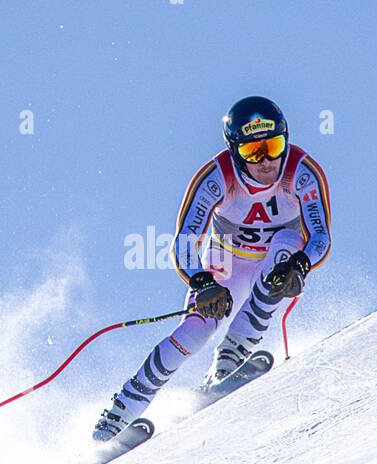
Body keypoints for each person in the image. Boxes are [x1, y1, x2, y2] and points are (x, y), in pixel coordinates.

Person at [93, 95, 332, 442]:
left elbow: (320, 236)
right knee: (197, 329)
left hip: (277, 257)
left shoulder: (302, 172)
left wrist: (302, 264)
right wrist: (202, 281)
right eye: (253, 152)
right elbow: (185, 241)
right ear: (236, 151)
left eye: (274, 145)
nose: (267, 161)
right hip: (225, 259)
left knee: (283, 254)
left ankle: (230, 358)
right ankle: (117, 416)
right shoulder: (217, 176)